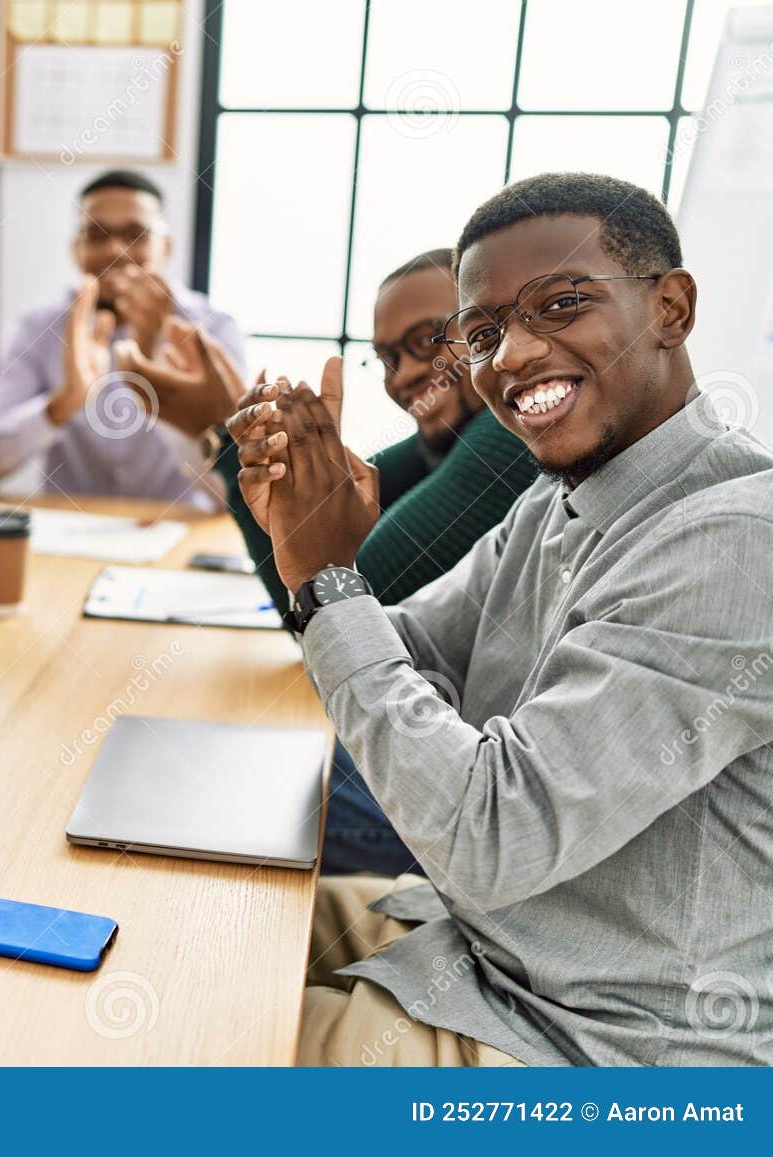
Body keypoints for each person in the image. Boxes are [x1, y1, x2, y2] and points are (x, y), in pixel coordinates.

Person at [232, 172, 773, 1065]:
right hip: (480, 954)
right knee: (178, 911)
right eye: (483, 333)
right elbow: (403, 650)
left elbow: (492, 836)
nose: (512, 355)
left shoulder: (737, 540)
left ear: (670, 307)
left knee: (188, 1033)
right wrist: (310, 549)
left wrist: (331, 579)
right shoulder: (556, 499)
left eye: (560, 304)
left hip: (596, 1049)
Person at [130, 249, 538, 876]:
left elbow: (336, 598)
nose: (404, 375)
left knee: (184, 792)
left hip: (469, 814)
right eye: (388, 357)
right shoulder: (446, 442)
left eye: (432, 340)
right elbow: (318, 603)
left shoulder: (505, 441)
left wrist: (222, 431)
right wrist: (262, 471)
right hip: (452, 769)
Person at [0, 170, 246, 510]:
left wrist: (159, 390)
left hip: (178, 536)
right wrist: (63, 403)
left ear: (166, 248)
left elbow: (235, 491)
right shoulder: (37, 328)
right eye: (96, 236)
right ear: (75, 249)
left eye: (135, 235)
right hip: (67, 539)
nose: (116, 250)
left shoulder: (213, 328)